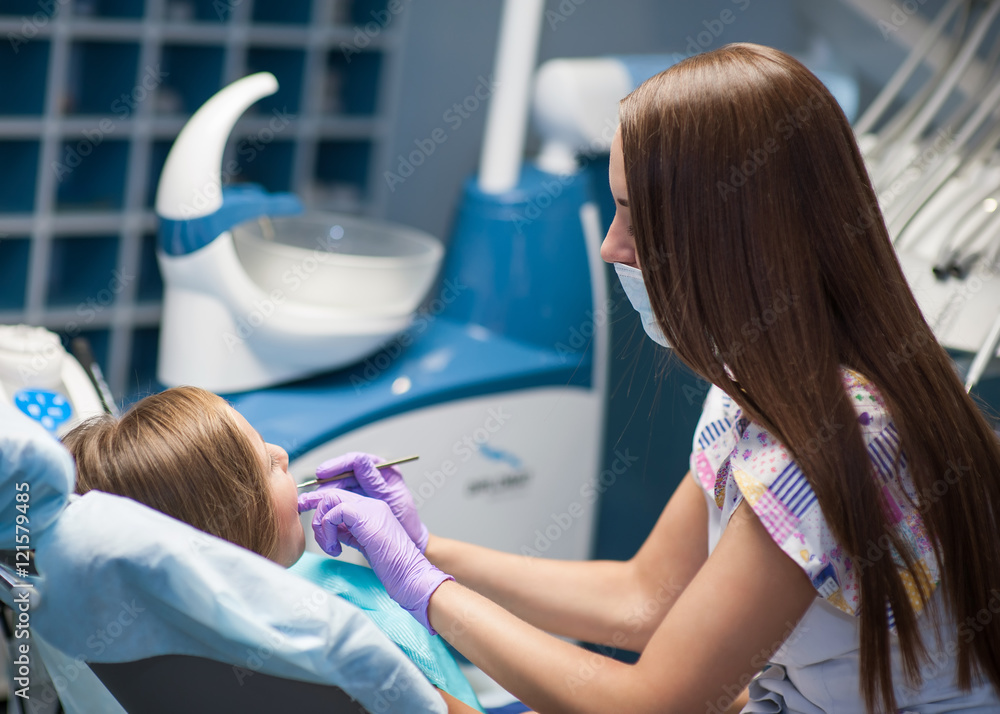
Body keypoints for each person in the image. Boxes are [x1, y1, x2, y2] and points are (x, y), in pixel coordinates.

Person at [297, 44, 1000, 714]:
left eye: (632, 215)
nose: (610, 247)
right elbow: (649, 598)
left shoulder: (834, 439)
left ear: (727, 233)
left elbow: (653, 704)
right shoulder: (751, 386)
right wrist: (426, 549)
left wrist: (426, 590)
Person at [62, 386, 484, 714]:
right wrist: (423, 579)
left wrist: (424, 549)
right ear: (234, 522)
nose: (281, 454)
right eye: (265, 464)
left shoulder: (149, 630)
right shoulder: (345, 641)